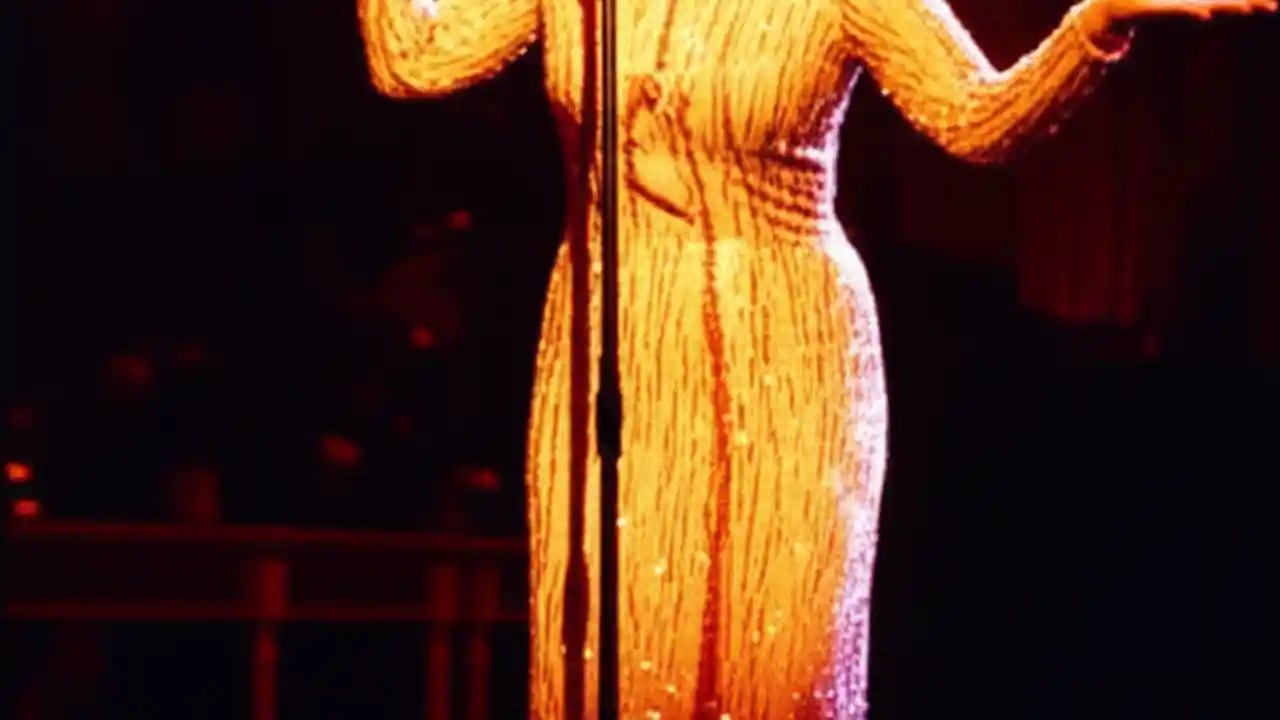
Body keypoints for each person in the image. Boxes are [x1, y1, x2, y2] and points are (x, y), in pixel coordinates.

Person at [356, 0, 1274, 716]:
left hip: (790, 351)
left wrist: (1093, 29)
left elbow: (978, 122)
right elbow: (411, 60)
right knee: (621, 652)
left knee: (776, 660)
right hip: (618, 339)